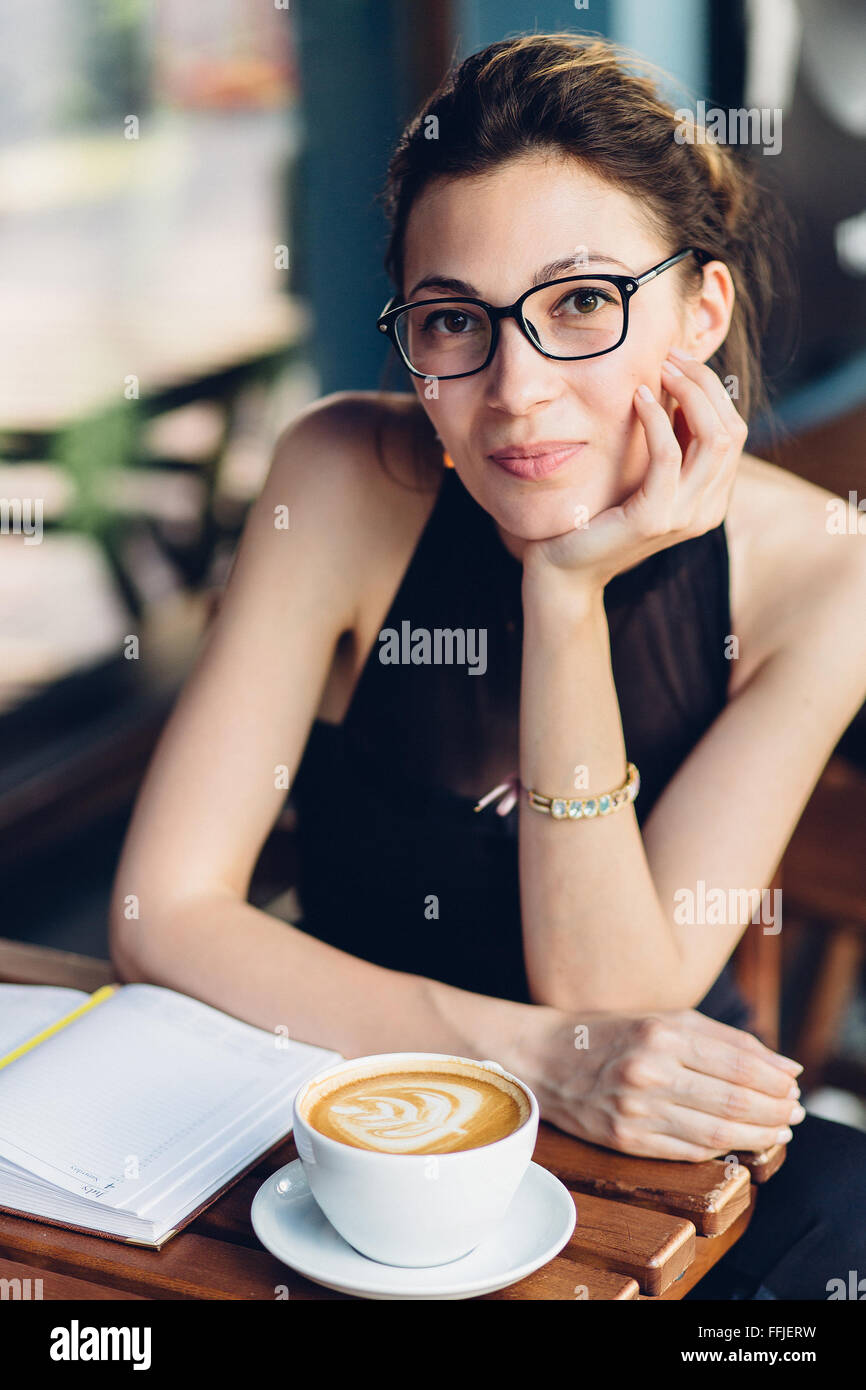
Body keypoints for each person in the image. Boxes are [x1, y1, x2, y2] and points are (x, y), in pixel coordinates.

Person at [109, 34, 866, 1299]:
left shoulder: (830, 572)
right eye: (454, 320)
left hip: (653, 1150)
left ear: (701, 312)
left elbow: (614, 993)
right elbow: (160, 912)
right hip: (345, 1119)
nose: (514, 390)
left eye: (581, 303)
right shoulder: (339, 475)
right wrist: (536, 1051)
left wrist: (562, 594)